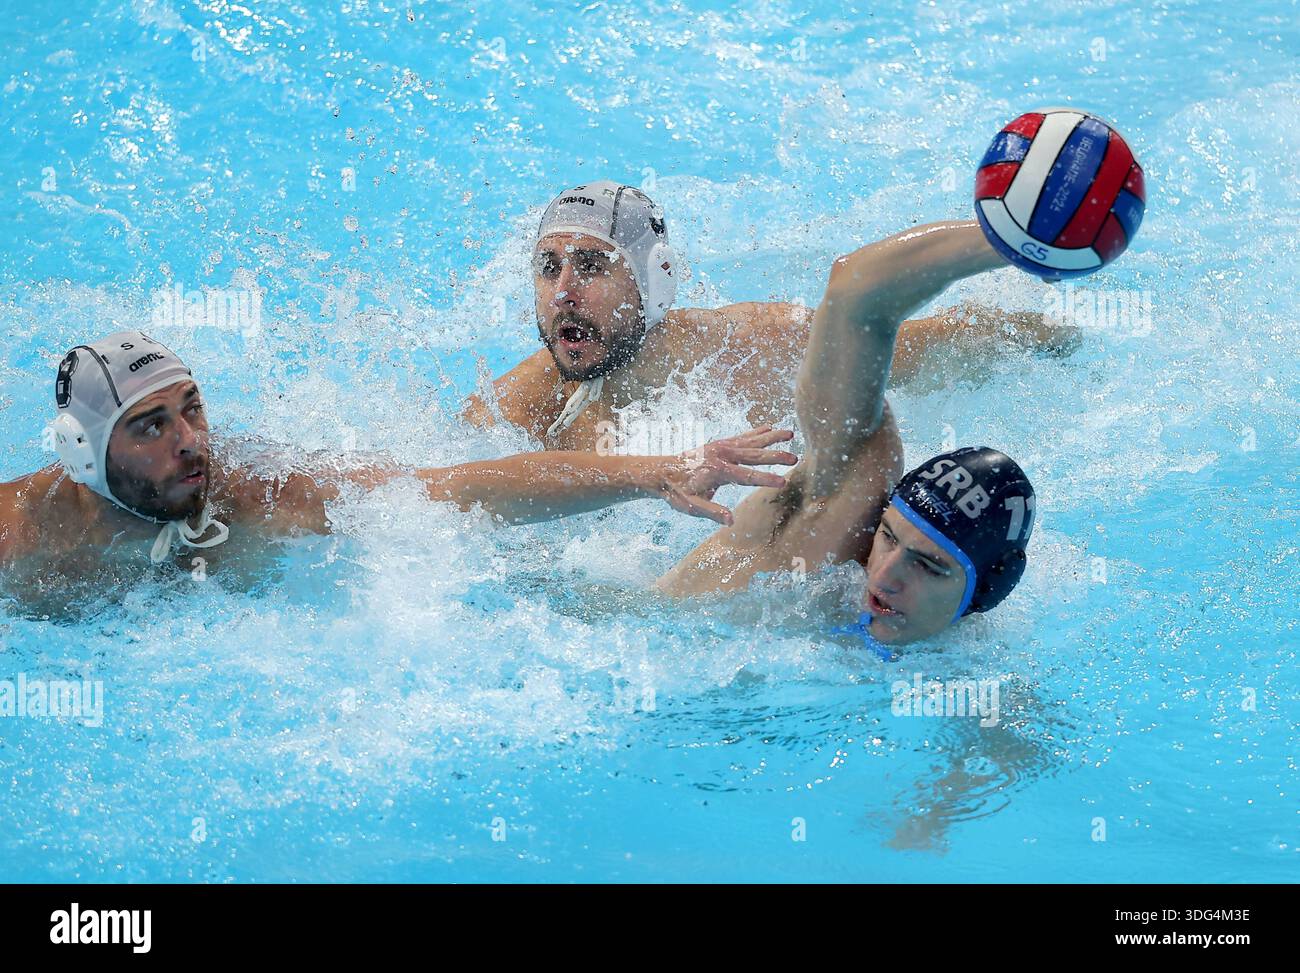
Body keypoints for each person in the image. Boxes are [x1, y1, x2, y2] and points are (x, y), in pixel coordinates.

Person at [0, 332, 796, 594]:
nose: (191, 440)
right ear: (83, 453)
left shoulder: (252, 493)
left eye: (194, 408)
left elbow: (451, 490)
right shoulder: (18, 537)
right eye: (151, 425)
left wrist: (651, 473)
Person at [463, 179, 1077, 448]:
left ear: (655, 282)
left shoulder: (757, 350)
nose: (563, 291)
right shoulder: (517, 411)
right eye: (548, 267)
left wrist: (1036, 333)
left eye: (592, 266)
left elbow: (925, 344)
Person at [656, 220, 1037, 648]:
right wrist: (1015, 237)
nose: (885, 575)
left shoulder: (973, 665)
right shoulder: (828, 545)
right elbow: (857, 291)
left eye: (929, 566)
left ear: (985, 593)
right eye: (887, 536)